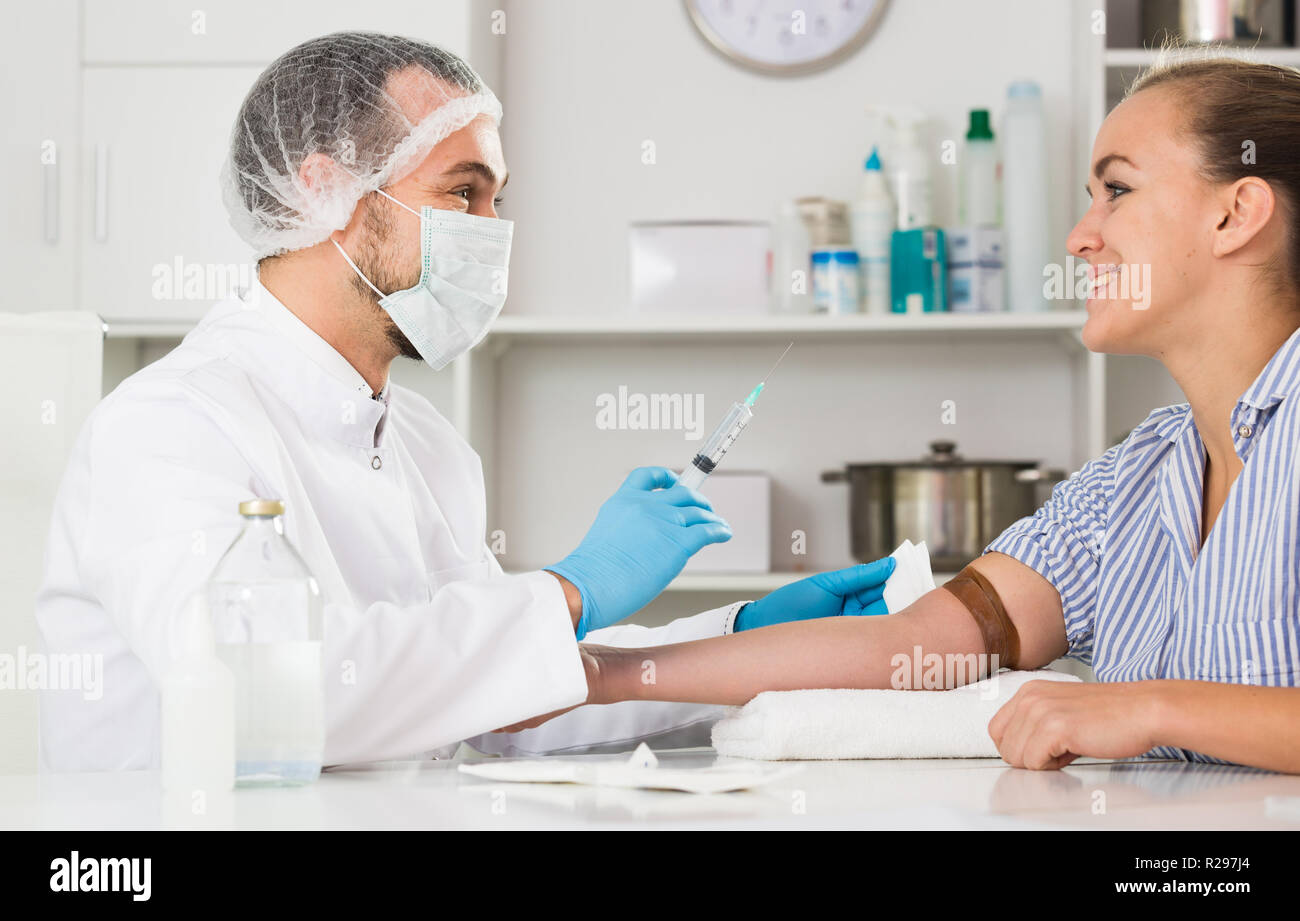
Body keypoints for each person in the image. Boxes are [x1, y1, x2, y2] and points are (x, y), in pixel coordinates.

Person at [34, 32, 896, 771]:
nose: (491, 231)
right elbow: (278, 698)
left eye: (496, 200)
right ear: (323, 190)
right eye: (462, 192)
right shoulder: (169, 426)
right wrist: (568, 588)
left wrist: (742, 635)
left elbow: (495, 698)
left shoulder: (426, 442)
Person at [516, 56, 1300, 774]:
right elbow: (920, 644)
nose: (1079, 238)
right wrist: (606, 674)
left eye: (1117, 190)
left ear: (1236, 213)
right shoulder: (1139, 475)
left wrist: (1152, 705)